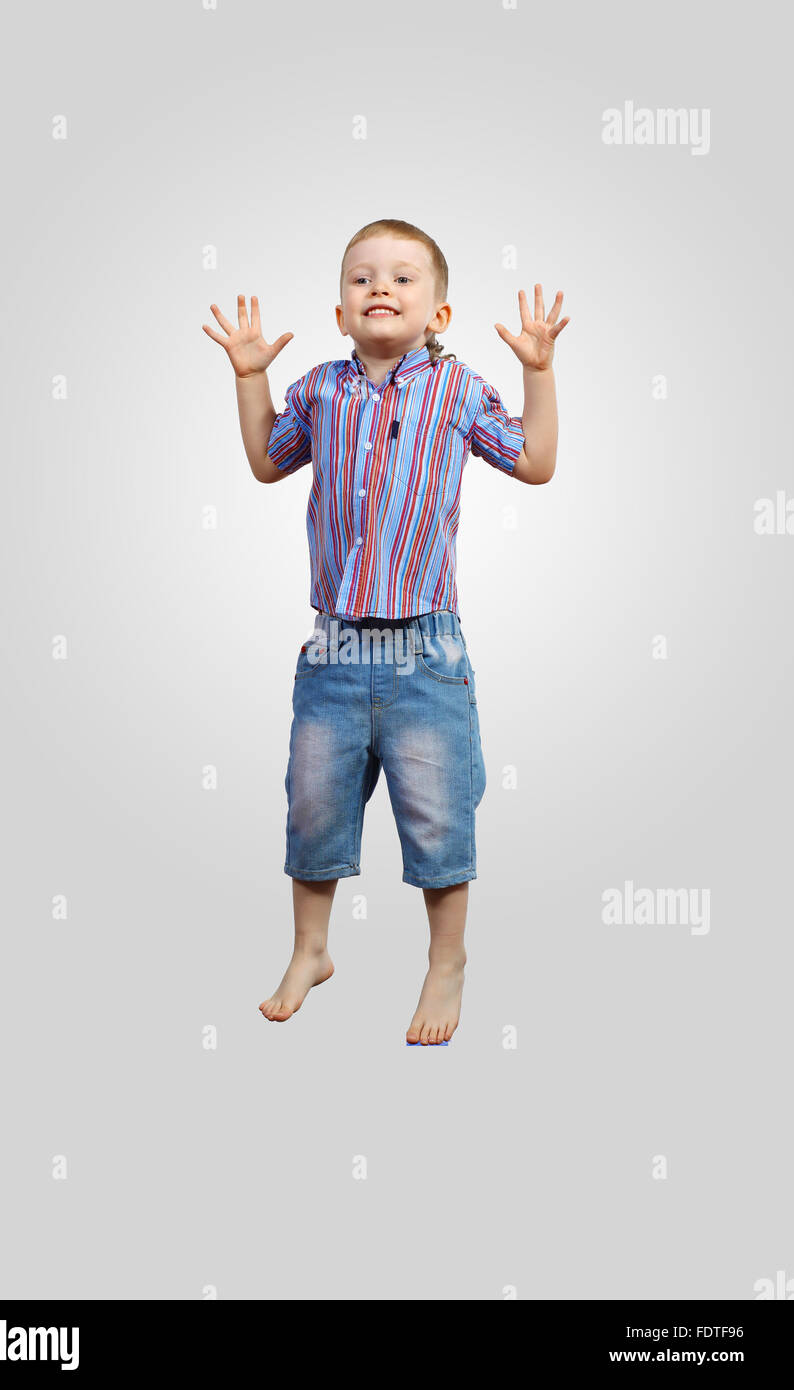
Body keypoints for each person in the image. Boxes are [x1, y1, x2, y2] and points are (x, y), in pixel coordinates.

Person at [202, 217, 568, 1044]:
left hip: (425, 651)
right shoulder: (319, 389)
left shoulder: (461, 389)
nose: (381, 288)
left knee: (440, 817)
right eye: (363, 276)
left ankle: (447, 962)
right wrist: (251, 377)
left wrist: (537, 373)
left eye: (404, 278)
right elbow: (267, 459)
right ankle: (311, 949)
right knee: (313, 807)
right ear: (339, 312)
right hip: (332, 649)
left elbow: (536, 463)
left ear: (438, 313)